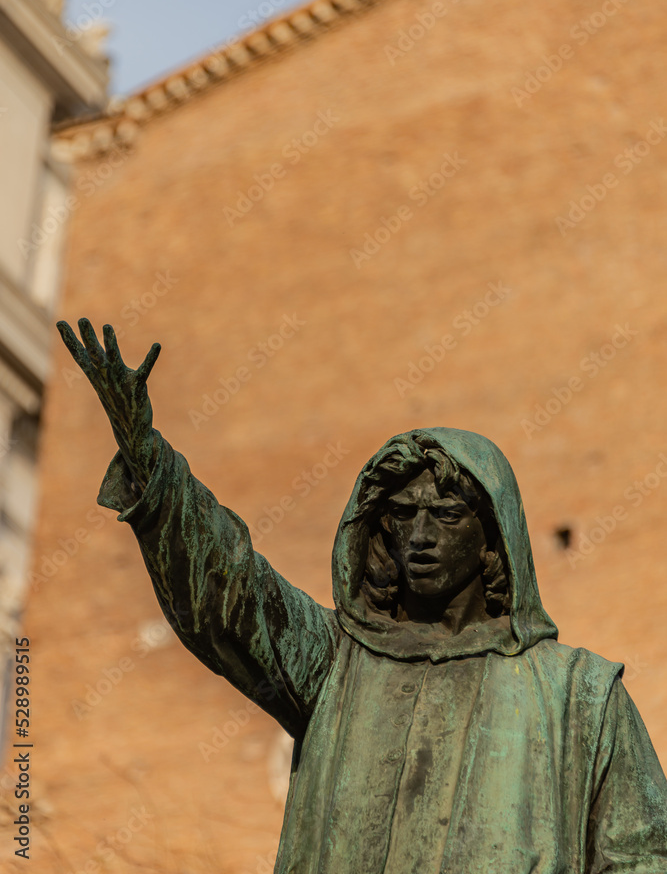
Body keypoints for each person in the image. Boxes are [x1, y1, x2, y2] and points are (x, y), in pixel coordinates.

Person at [57, 318, 667, 873]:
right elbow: (230, 593)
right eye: (403, 515)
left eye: (447, 515)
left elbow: (641, 856)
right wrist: (148, 457)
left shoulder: (580, 698)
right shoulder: (333, 665)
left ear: (493, 539)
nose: (420, 537)